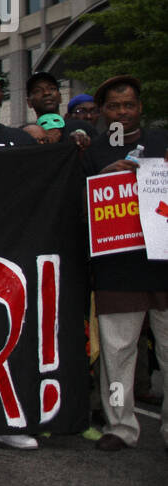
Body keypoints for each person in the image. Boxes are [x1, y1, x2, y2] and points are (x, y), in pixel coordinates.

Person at [80, 75, 168, 452]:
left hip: (164, 265)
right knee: (117, 354)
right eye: (114, 106)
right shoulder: (92, 152)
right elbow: (76, 206)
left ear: (140, 107)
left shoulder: (164, 144)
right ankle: (120, 427)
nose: (122, 112)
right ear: (102, 112)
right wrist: (101, 180)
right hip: (117, 267)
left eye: (128, 105)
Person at [23, 70, 92, 145]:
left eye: (52, 88)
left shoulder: (83, 127)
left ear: (60, 97)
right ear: (29, 102)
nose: (46, 93)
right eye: (38, 91)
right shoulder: (23, 135)